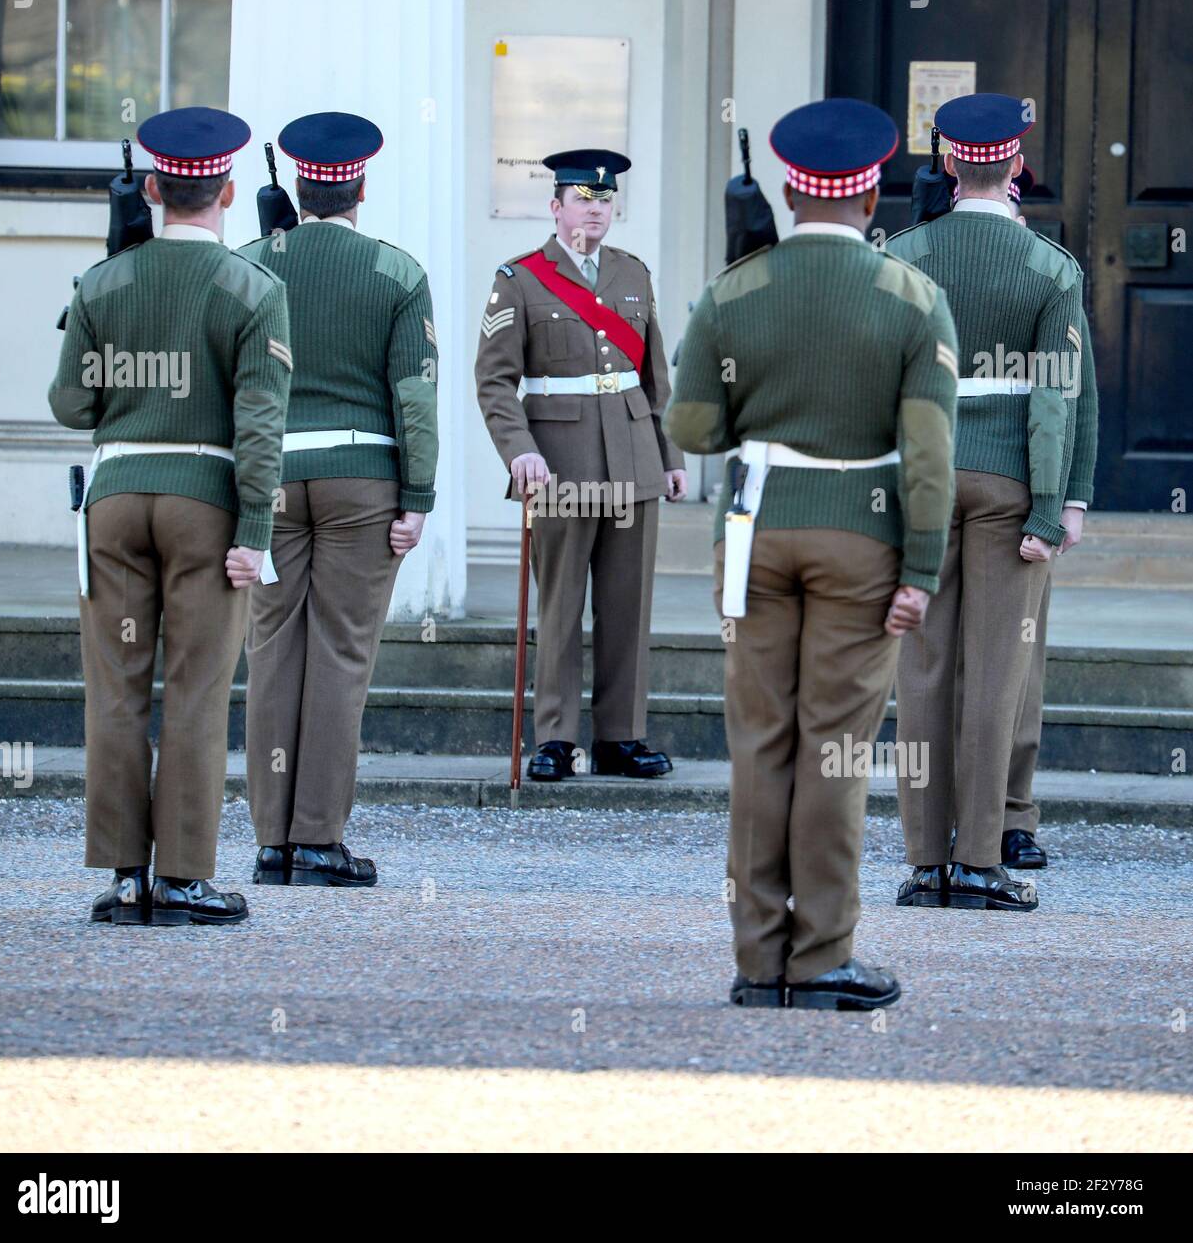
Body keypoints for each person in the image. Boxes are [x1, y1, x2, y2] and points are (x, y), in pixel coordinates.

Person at [667, 98, 957, 1009]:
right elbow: (928, 457)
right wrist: (919, 573)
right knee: (835, 748)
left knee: (761, 743)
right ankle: (822, 954)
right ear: (870, 197)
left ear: (790, 191)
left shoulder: (733, 292)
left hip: (756, 535)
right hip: (862, 536)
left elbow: (692, 429)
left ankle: (758, 960)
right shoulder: (912, 298)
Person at [48, 106, 291, 927]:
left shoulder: (102, 281)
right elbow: (259, 421)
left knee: (114, 690)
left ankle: (123, 877)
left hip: (114, 499)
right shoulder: (254, 288)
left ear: (151, 188)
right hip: (205, 500)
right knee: (195, 688)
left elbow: (70, 404)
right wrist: (255, 531)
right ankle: (182, 877)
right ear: (225, 189)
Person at [887, 93, 1082, 911]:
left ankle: (925, 862)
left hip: (920, 478)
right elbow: (1055, 399)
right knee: (996, 673)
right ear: (1013, 166)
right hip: (1006, 480)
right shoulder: (1048, 268)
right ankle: (976, 860)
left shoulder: (899, 255)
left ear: (944, 164)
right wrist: (1052, 505)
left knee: (923, 672)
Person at [238, 112, 438, 887]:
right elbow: (413, 395)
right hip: (363, 478)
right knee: (342, 654)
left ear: (296, 183)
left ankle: (269, 840)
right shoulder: (395, 272)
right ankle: (317, 839)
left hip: (272, 479)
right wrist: (417, 492)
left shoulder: (248, 263)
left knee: (271, 651)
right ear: (360, 186)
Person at [474, 148, 686, 782]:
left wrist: (670, 456)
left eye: (604, 200)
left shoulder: (633, 274)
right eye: (582, 199)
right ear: (556, 207)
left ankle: (621, 736)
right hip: (558, 463)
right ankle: (558, 737)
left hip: (631, 457)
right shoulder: (519, 278)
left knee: (627, 604)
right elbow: (493, 382)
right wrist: (521, 454)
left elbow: (656, 380)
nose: (595, 209)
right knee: (561, 604)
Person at [1000, 167, 1098, 869]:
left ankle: (1009, 814)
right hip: (974, 484)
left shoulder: (1045, 268)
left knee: (1017, 664)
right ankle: (964, 815)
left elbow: (1075, 392)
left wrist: (1072, 496)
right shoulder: (922, 254)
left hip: (1023, 483)